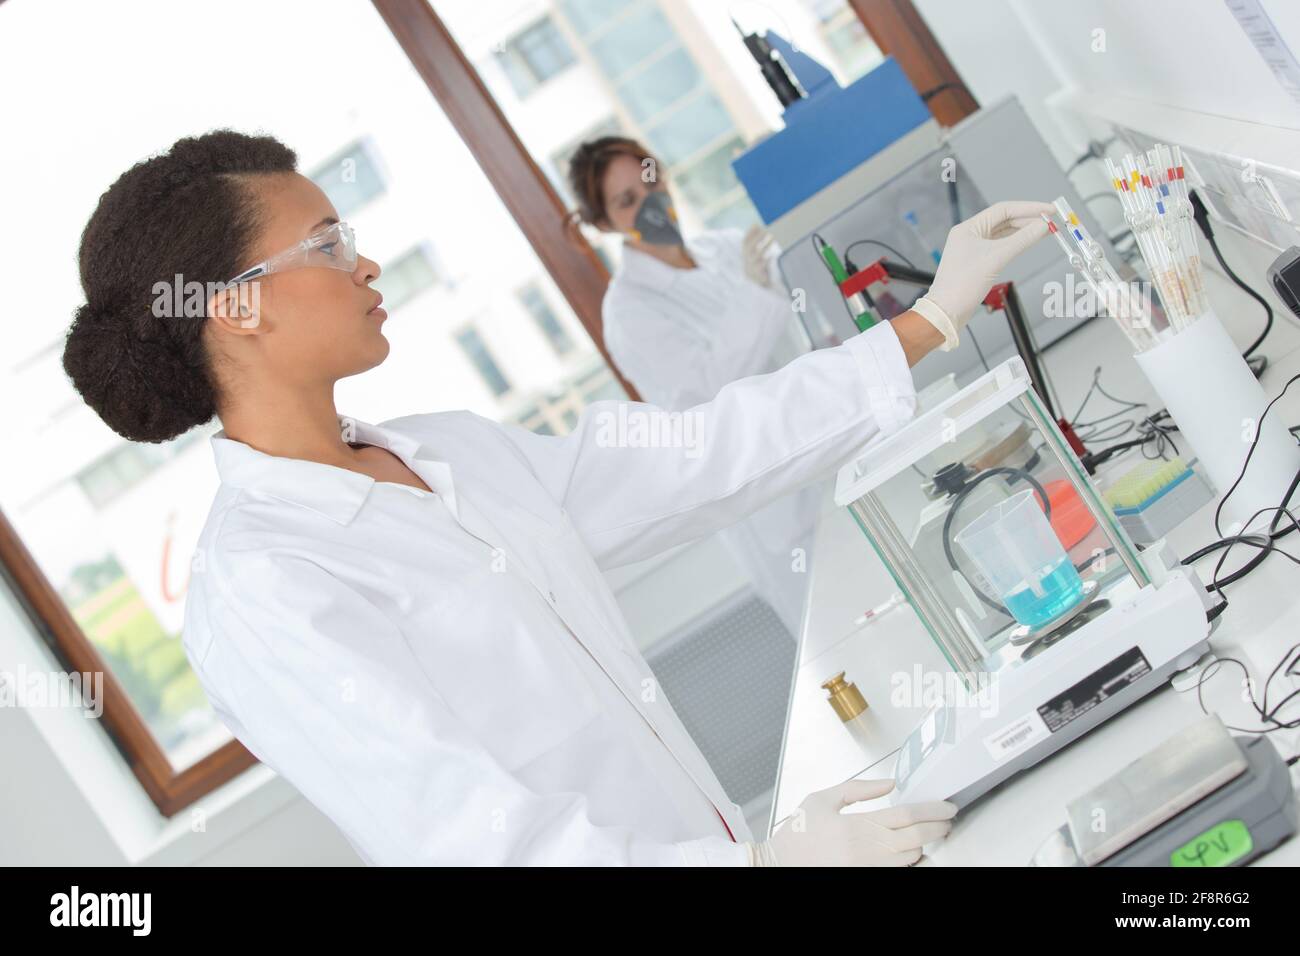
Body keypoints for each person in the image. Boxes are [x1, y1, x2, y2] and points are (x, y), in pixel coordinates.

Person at [62, 130, 1053, 866]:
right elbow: (476, 842)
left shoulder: (446, 451)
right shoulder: (263, 589)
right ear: (233, 307)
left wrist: (926, 319)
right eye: (326, 243)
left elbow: (697, 454)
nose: (363, 262)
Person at [567, 135, 819, 636]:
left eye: (649, 180)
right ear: (603, 224)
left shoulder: (724, 248)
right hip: (771, 499)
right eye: (626, 201)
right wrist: (755, 292)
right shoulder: (628, 311)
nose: (650, 201)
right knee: (842, 637)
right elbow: (707, 387)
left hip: (819, 447)